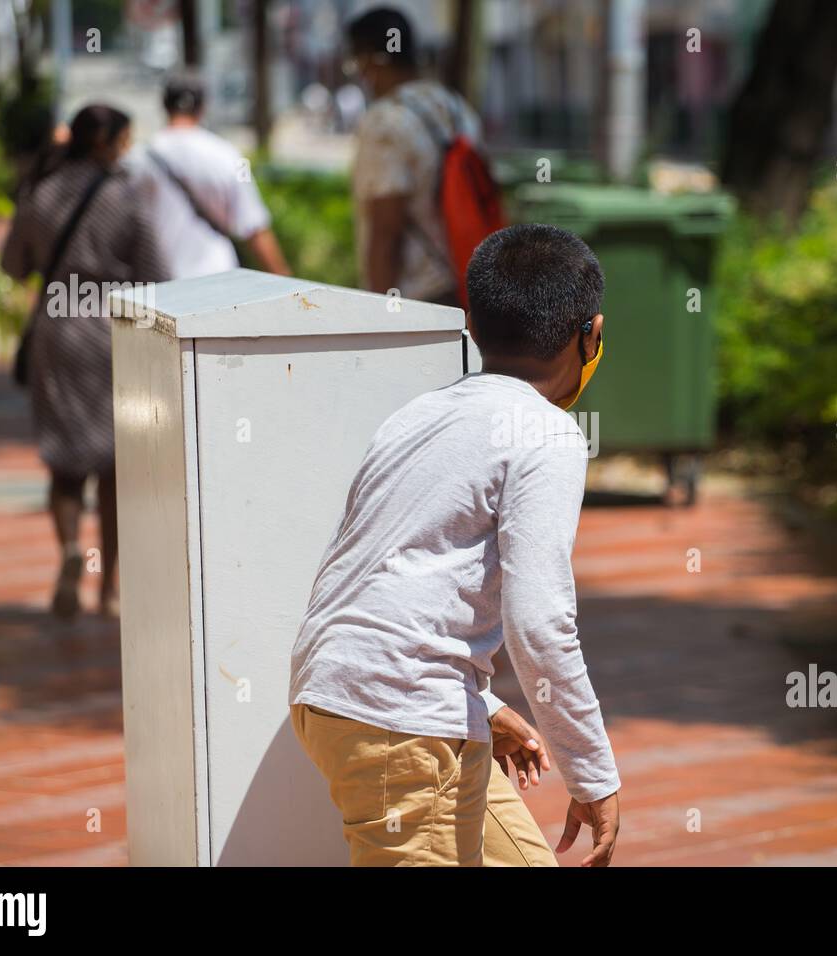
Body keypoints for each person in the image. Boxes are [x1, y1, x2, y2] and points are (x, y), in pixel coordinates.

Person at [289, 223, 620, 867]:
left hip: (347, 692)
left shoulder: (416, 415)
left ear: (473, 323)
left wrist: (487, 706)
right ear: (592, 334)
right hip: (403, 717)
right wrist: (593, 775)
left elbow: (373, 574)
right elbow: (541, 623)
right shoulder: (546, 435)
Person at [1, 105, 169, 619]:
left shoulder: (42, 191)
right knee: (115, 466)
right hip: (111, 331)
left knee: (64, 458)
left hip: (57, 326)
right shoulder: (127, 196)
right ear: (106, 143)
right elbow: (157, 273)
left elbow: (12, 264)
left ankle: (71, 550)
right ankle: (111, 587)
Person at [344, 6, 481, 304]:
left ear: (370, 60)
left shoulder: (385, 122)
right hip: (467, 282)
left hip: (417, 299)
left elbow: (385, 233)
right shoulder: (456, 107)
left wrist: (378, 319)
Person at [135, 74, 290, 279]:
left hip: (159, 282)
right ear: (203, 107)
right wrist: (284, 278)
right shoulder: (230, 155)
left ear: (164, 106)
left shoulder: (138, 158)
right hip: (218, 280)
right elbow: (254, 226)